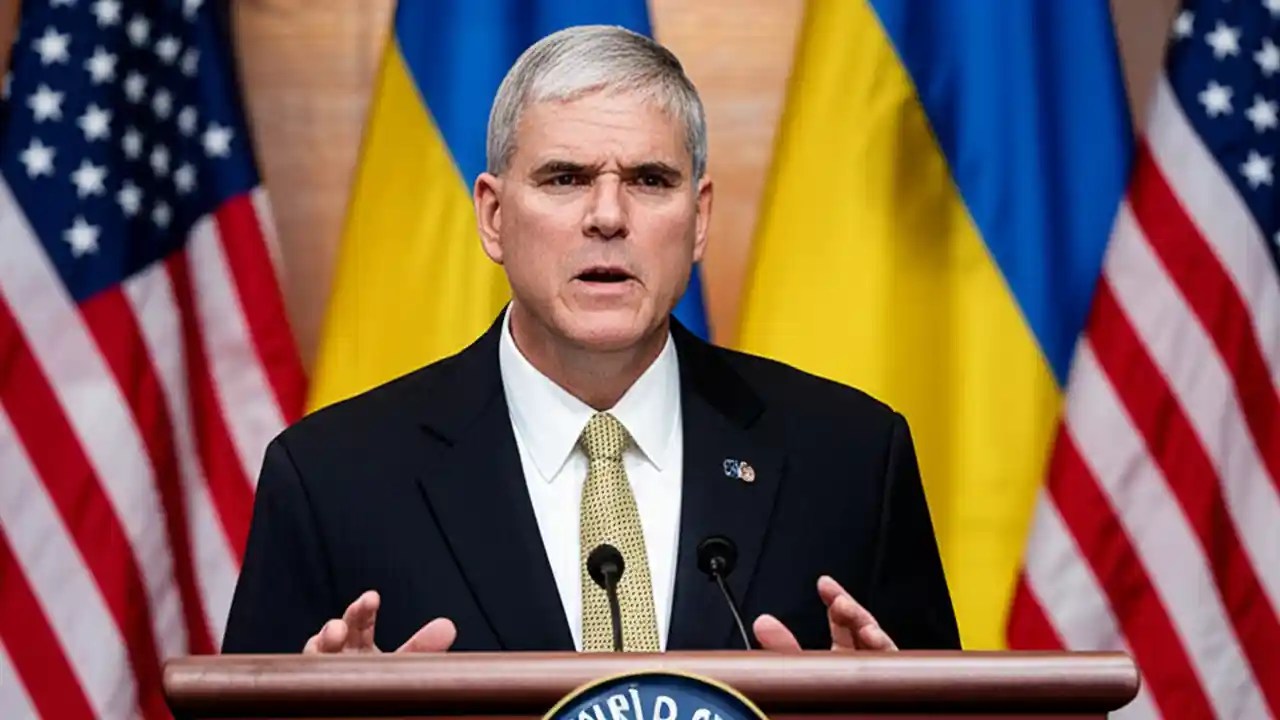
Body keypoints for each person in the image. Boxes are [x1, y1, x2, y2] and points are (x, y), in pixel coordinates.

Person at [221, 24, 960, 655]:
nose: (608, 216)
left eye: (648, 180)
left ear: (698, 218)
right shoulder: (332, 482)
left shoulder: (852, 461)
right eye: (565, 178)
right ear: (493, 216)